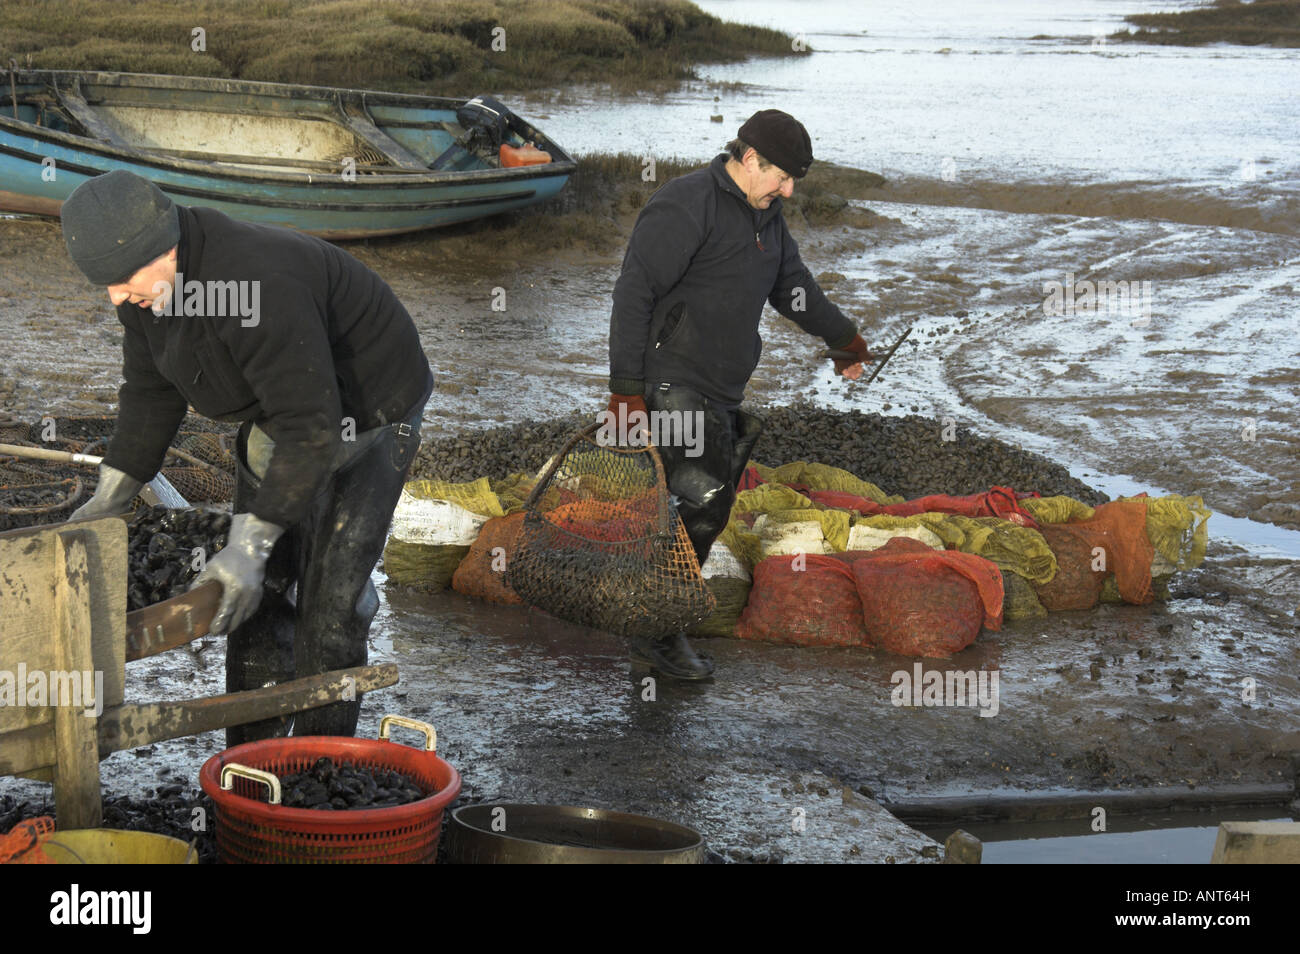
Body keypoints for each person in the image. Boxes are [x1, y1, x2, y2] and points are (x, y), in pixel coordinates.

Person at [62, 170, 433, 743]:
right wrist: (109, 498)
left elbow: (311, 427)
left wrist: (251, 541)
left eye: (122, 278)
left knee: (330, 606)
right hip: (283, 410)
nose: (115, 295)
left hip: (369, 407)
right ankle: (254, 759)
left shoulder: (256, 285)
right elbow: (151, 390)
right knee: (251, 593)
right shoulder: (148, 291)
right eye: (105, 283)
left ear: (167, 247)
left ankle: (320, 761)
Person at [607, 109, 873, 681]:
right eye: (782, 176)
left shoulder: (767, 218)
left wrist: (843, 337)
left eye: (794, 180)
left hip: (720, 390)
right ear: (750, 159)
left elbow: (793, 290)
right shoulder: (686, 204)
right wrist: (626, 395)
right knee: (704, 502)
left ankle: (651, 624)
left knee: (699, 503)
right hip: (671, 384)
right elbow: (632, 294)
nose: (789, 189)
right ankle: (655, 633)